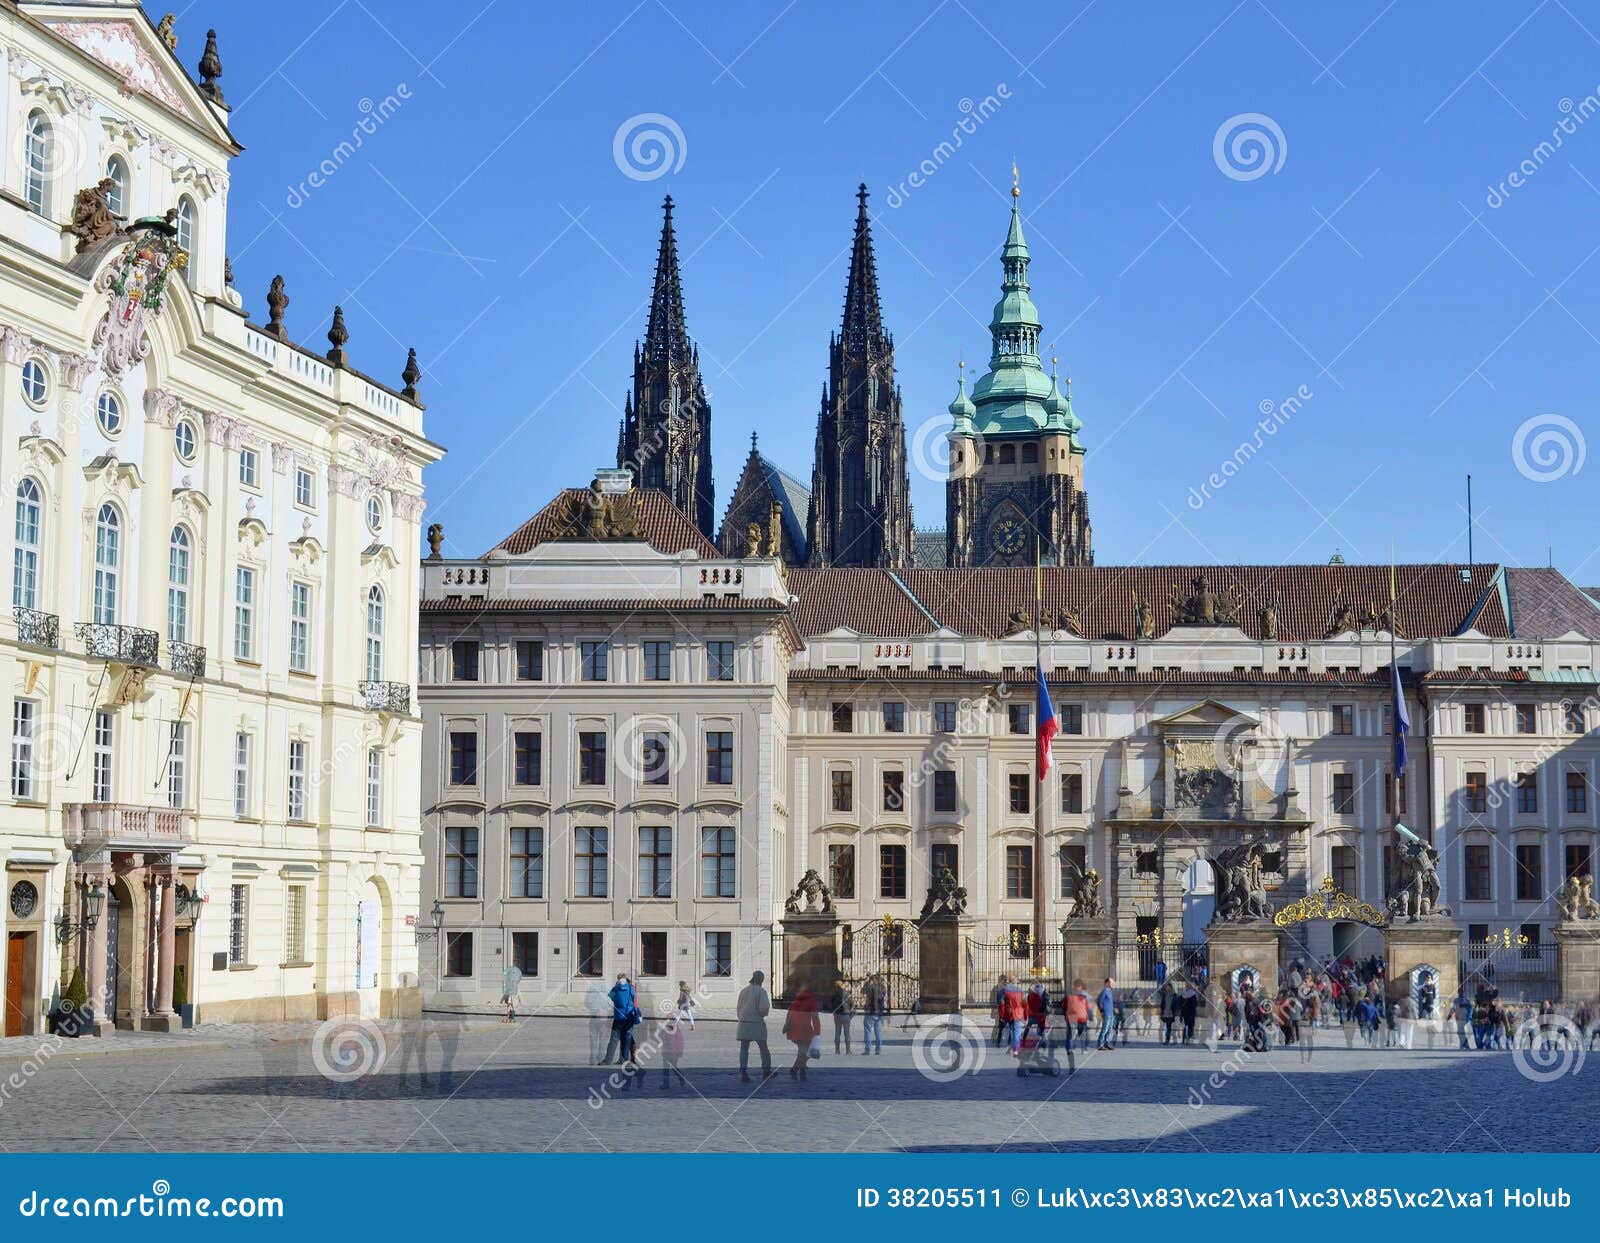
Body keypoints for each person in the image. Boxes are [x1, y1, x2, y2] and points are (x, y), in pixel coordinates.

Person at [736, 970, 776, 1083]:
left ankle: (743, 1072)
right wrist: (762, 1014)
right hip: (756, 1022)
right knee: (763, 1048)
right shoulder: (761, 991)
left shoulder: (743, 991)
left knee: (744, 1049)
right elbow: (763, 1009)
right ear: (761, 980)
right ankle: (766, 1071)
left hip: (744, 1022)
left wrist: (741, 1017)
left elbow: (738, 1007)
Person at [601, 972, 640, 1065]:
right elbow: (635, 1001)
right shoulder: (631, 989)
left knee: (614, 1040)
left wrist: (616, 986)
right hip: (629, 1017)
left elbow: (611, 997)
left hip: (618, 1017)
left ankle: (607, 1060)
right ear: (626, 979)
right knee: (626, 1039)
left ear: (618, 979)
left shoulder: (615, 989)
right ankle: (623, 1060)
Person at [785, 987, 822, 1082]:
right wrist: (817, 1032)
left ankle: (799, 1071)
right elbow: (815, 1018)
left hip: (797, 1030)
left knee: (802, 1052)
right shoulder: (811, 1002)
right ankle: (797, 1071)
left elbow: (789, 1016)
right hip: (804, 1030)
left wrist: (788, 1029)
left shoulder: (795, 1002)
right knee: (805, 1053)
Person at [999, 978, 1028, 1055]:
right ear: (1016, 983)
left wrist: (1002, 1016)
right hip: (1018, 1013)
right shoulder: (1021, 991)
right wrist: (1025, 1016)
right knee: (1017, 1032)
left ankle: (1007, 1045)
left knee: (1009, 1029)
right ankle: (1016, 1049)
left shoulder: (1005, 991)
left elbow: (1002, 1004)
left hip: (1008, 1013)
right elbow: (1025, 1005)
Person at [862, 972, 888, 1054]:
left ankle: (867, 1049)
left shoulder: (871, 987)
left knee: (868, 1030)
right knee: (878, 1031)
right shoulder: (883, 987)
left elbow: (863, 991)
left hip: (871, 1011)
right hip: (879, 1012)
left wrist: (867, 982)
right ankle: (878, 1049)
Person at [659, 1016, 687, 1088]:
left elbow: (680, 1042)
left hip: (674, 1053)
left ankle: (681, 1077)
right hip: (666, 1052)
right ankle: (666, 1084)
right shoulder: (665, 1029)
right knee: (666, 1068)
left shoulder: (677, 1031)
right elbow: (661, 1037)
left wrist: (679, 1052)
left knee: (673, 1067)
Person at [827, 979, 854, 1054]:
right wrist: (850, 1013)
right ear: (842, 985)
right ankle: (848, 1050)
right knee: (847, 1032)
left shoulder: (834, 994)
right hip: (846, 1015)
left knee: (837, 1032)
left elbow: (830, 1004)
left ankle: (837, 1050)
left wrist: (833, 1011)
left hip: (837, 1015)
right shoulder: (847, 993)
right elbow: (852, 1004)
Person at [1064, 980, 1090, 1051]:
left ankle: (1070, 1047)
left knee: (1071, 1033)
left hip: (1071, 1016)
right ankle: (1083, 1048)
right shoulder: (1085, 995)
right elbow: (1088, 1007)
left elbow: (1064, 1005)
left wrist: (1066, 1014)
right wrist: (1090, 1016)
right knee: (1082, 1033)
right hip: (1081, 1017)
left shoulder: (1069, 995)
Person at [1095, 977, 1116, 1051]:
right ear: (1107, 983)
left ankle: (1106, 1043)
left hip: (1111, 1013)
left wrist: (1113, 1009)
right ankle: (1100, 1045)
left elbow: (1109, 1003)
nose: (1113, 984)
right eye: (1112, 982)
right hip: (1106, 1013)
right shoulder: (1105, 991)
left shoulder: (1110, 991)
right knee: (1105, 1029)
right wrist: (1102, 1010)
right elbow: (1099, 1001)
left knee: (1109, 1029)